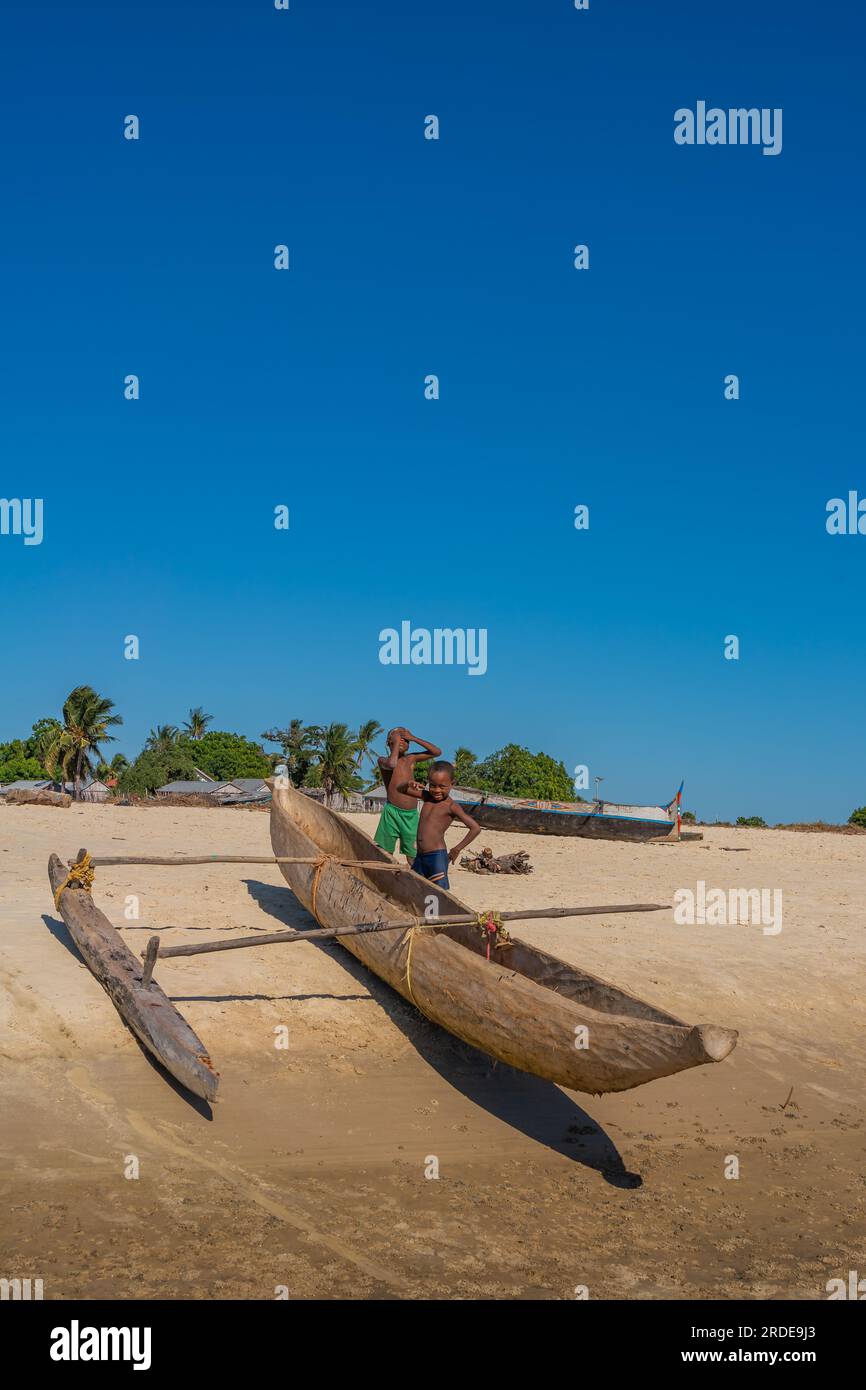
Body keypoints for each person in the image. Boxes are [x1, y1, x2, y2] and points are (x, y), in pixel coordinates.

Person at [399, 760, 480, 889]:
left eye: (442, 786)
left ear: (452, 784)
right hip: (420, 855)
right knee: (415, 888)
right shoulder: (426, 796)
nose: (436, 790)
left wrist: (457, 848)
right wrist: (408, 783)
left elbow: (475, 828)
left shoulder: (451, 806)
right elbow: (401, 789)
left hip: (436, 857)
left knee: (438, 893)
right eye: (432, 785)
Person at [374, 727, 442, 863]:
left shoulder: (411, 759)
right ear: (389, 742)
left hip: (410, 816)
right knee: (385, 853)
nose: (402, 741)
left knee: (413, 855)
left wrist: (414, 738)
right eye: (398, 739)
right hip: (391, 813)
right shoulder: (382, 761)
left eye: (405, 740)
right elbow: (392, 764)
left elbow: (437, 752)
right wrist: (395, 742)